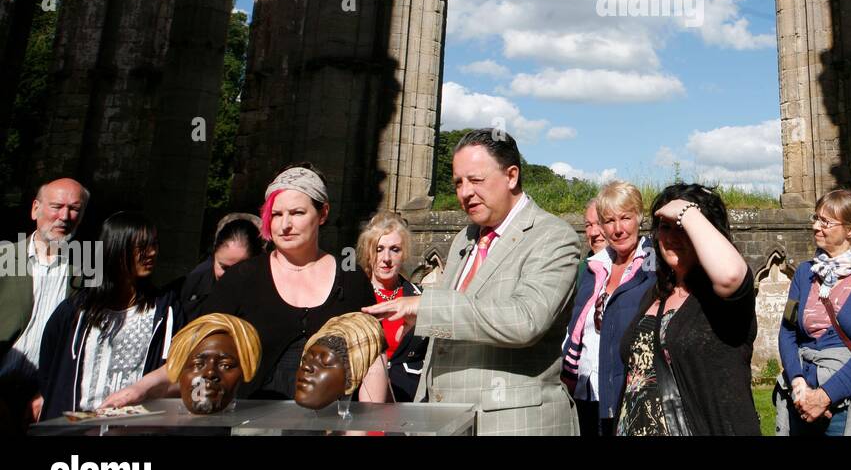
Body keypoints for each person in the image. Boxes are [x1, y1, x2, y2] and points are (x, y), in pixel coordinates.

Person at [106, 164, 387, 405]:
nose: (285, 225)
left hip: (329, 429)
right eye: (276, 215)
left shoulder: (351, 281)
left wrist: (363, 428)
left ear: (322, 213)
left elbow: (371, 360)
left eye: (298, 213)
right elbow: (193, 356)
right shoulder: (242, 278)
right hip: (253, 424)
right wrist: (141, 389)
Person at [366, 128, 581, 436]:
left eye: (476, 180)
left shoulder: (552, 236)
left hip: (512, 426)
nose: (465, 192)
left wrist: (425, 306)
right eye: (458, 182)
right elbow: (450, 327)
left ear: (511, 176)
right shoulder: (464, 239)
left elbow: (525, 320)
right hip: (447, 423)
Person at [615, 184, 759, 436]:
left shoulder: (722, 299)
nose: (671, 237)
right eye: (665, 227)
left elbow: (731, 276)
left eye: (682, 227)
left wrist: (687, 211)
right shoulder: (655, 294)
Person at [37, 211, 179, 417]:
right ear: (116, 248)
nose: (151, 253)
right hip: (74, 426)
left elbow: (179, 370)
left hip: (136, 427)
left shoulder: (166, 311)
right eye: (142, 247)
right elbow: (49, 370)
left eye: (154, 244)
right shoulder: (75, 312)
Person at [776, 189, 851, 436]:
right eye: (815, 218)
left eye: (825, 221)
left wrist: (824, 396)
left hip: (847, 399)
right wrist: (798, 384)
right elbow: (787, 331)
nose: (816, 226)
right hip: (800, 393)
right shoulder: (804, 274)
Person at [561, 181, 655, 436]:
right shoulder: (594, 267)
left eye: (625, 218)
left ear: (639, 217)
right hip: (586, 392)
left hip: (631, 397)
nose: (618, 229)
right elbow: (577, 329)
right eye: (609, 220)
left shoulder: (654, 265)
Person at [0, 178, 88, 431]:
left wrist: (49, 392)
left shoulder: (88, 272)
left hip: (45, 401)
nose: (65, 216)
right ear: (35, 209)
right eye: (56, 206)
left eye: (74, 209)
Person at [355, 211, 427, 401]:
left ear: (404, 254)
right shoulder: (352, 298)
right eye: (379, 249)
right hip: (360, 403)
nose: (386, 258)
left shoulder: (421, 298)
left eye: (395, 249)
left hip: (407, 402)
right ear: (368, 252)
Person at [177, 214, 262, 324]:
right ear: (214, 255)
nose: (230, 275)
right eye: (224, 267)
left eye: (239, 268)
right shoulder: (194, 284)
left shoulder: (264, 292)